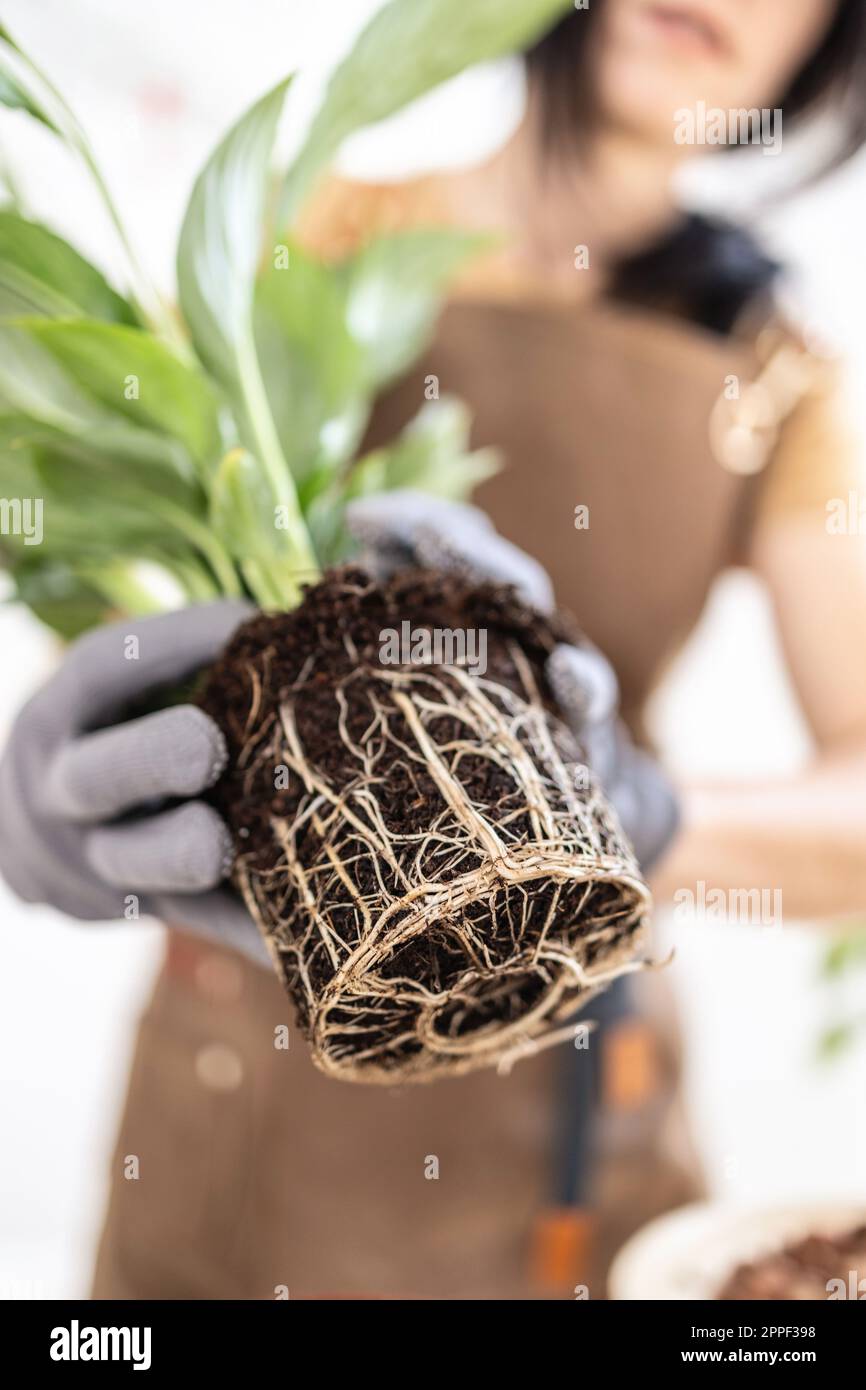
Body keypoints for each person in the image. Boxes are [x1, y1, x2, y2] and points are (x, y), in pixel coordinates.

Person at [3, 0, 866, 1298]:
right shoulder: (308, 238)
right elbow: (143, 582)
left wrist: (652, 815)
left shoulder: (774, 369)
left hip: (552, 1089)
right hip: (242, 1068)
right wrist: (68, 782)